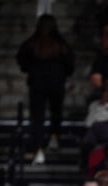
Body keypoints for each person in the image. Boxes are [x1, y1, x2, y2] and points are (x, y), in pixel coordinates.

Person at [16, 14, 75, 166]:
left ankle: (38, 146)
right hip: (56, 83)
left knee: (37, 117)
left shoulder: (31, 43)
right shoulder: (61, 45)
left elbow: (22, 62)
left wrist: (33, 69)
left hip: (37, 83)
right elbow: (70, 65)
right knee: (56, 112)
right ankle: (54, 136)